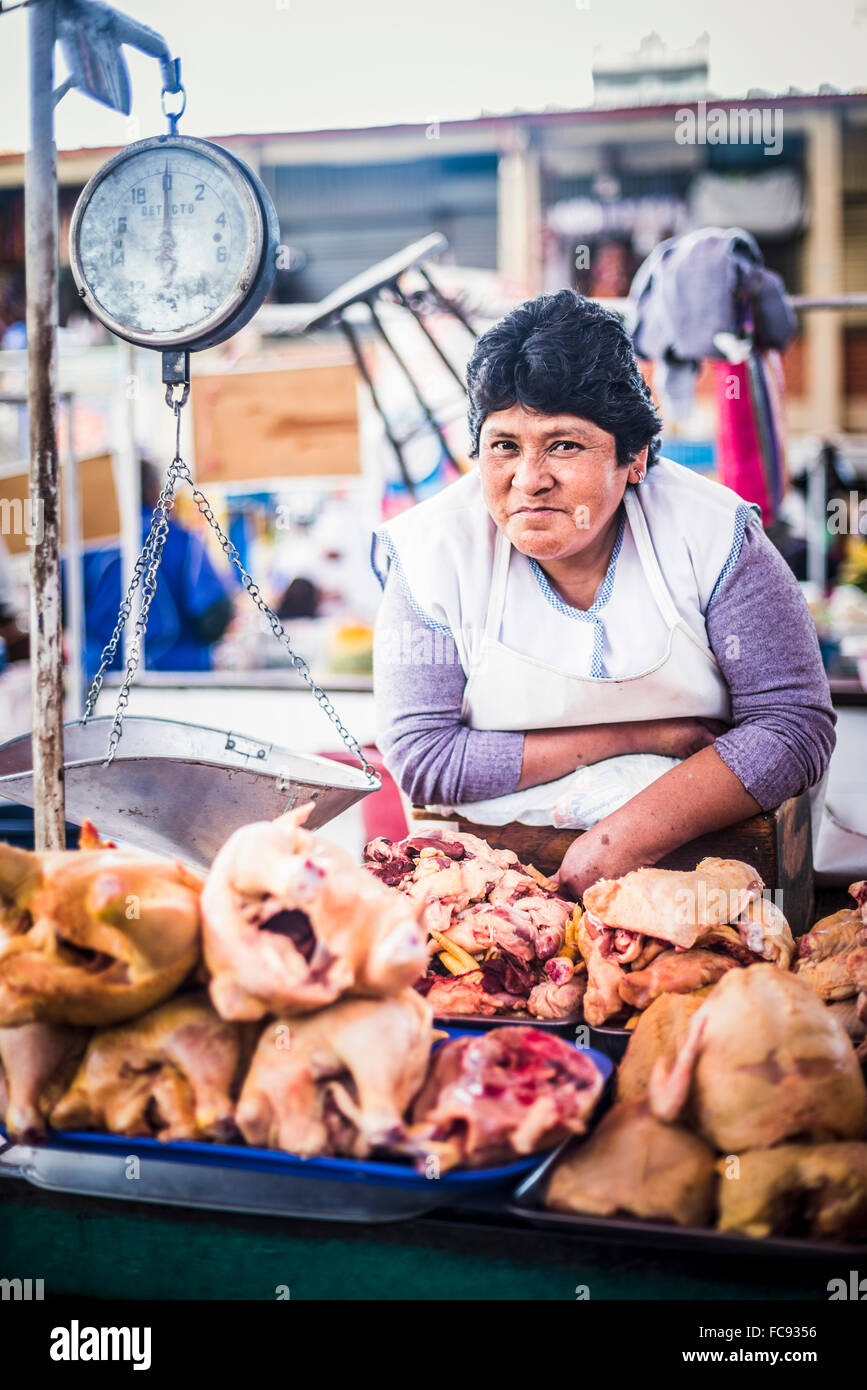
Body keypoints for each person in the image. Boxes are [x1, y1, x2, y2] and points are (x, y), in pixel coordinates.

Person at [370, 290, 835, 896]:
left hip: (724, 879)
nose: (529, 480)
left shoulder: (714, 534)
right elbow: (423, 760)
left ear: (634, 458)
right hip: (495, 893)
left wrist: (616, 843)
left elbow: (792, 724)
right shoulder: (433, 556)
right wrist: (640, 737)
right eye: (504, 445)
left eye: (563, 444)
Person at [83, 460, 235, 674]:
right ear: (154, 490)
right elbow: (213, 613)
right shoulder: (181, 541)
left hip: (100, 678)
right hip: (177, 675)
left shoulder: (87, 548)